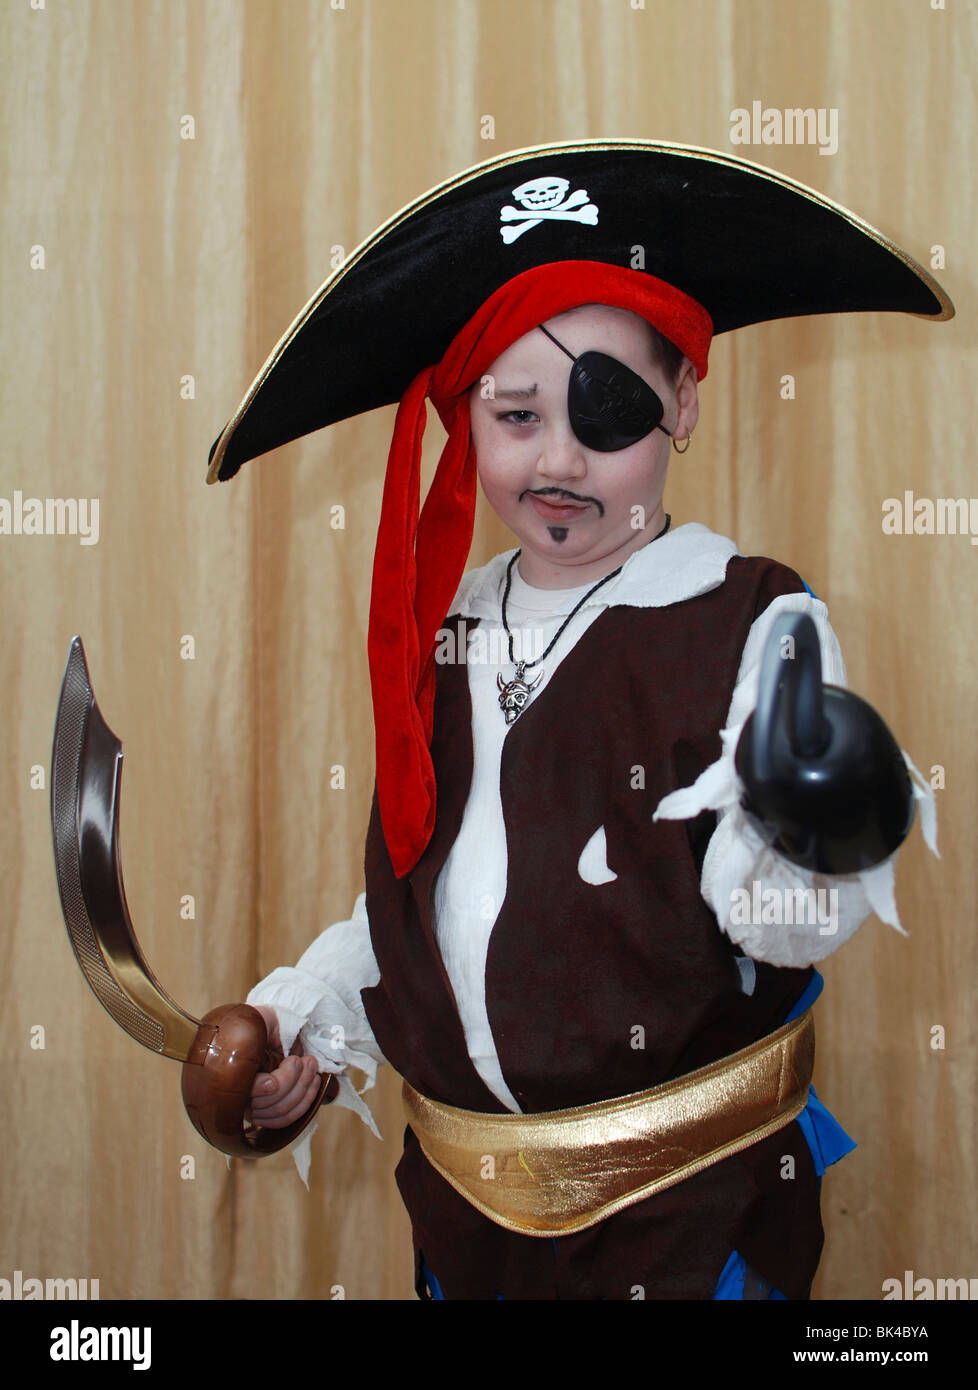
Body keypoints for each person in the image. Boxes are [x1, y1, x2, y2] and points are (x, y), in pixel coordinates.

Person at [205, 143, 950, 1298]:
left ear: (684, 402)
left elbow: (778, 928)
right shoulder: (447, 630)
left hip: (691, 1222)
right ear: (466, 417)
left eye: (606, 410)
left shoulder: (751, 620)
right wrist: (304, 1019)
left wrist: (815, 825)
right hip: (471, 1233)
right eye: (515, 413)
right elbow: (433, 901)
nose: (558, 457)